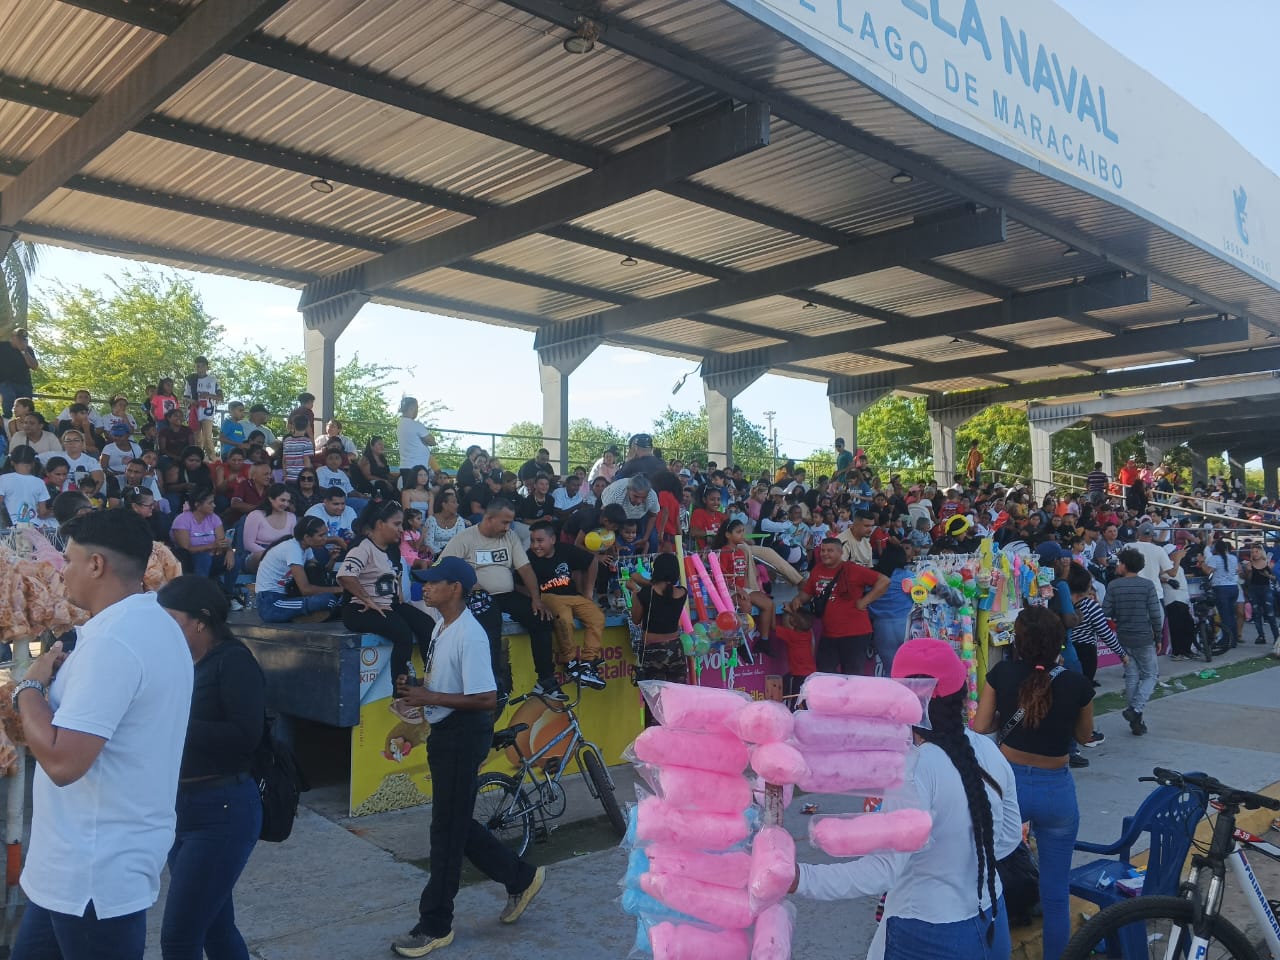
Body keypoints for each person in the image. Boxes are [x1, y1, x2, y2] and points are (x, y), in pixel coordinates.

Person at [13, 509, 193, 958]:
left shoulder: (115, 642)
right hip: (76, 864)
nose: (62, 572)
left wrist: (29, 688)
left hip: (93, 870)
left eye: (68, 560)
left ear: (96, 565)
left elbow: (63, 762)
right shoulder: (156, 623)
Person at [796, 638, 1021, 960]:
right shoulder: (989, 750)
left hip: (930, 931)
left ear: (899, 699)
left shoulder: (914, 770)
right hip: (991, 917)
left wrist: (800, 878)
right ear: (962, 692)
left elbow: (881, 871)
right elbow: (1009, 837)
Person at [388, 558, 544, 957]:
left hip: (462, 735)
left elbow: (486, 699)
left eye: (432, 583)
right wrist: (419, 687)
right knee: (454, 822)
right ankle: (520, 878)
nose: (424, 588)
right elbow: (451, 683)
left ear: (454, 588)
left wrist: (429, 697)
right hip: (446, 732)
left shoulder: (469, 635)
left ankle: (435, 925)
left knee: (445, 834)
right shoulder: (443, 624)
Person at [974, 607, 1094, 960]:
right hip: (1056, 790)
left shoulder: (1002, 673)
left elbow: (981, 727)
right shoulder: (1077, 683)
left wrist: (1009, 713)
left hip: (1007, 787)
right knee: (1056, 893)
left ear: (1019, 641)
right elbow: (1085, 736)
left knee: (985, 882)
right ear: (1059, 640)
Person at [155, 576, 264, 960]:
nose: (162, 629)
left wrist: (173, 722)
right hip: (181, 808)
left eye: (170, 619)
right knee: (215, 927)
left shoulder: (234, 661)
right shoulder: (177, 662)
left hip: (223, 808)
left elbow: (246, 734)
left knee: (180, 938)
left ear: (200, 620)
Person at [439, 499, 559, 701]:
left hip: (507, 594)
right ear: (489, 518)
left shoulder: (510, 537)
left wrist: (536, 599)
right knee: (491, 623)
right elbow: (444, 566)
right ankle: (493, 683)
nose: (508, 527)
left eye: (510, 522)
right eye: (504, 522)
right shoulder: (465, 539)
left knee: (542, 618)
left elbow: (525, 568)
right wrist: (470, 584)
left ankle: (545, 680)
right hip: (477, 595)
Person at [338, 501, 435, 685]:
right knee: (401, 632)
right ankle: (401, 691)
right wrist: (367, 599)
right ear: (380, 523)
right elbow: (345, 576)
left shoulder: (392, 549)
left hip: (390, 604)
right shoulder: (362, 546)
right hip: (359, 609)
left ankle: (433, 680)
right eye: (396, 524)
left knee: (427, 625)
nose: (401, 529)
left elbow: (396, 579)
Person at [787, 538, 889, 675]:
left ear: (840, 552)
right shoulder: (817, 569)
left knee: (852, 677)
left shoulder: (853, 569)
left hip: (855, 634)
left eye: (830, 551)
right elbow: (808, 592)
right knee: (824, 675)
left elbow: (884, 581)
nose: (825, 554)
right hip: (829, 634)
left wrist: (865, 601)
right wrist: (798, 599)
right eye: (822, 550)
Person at [526, 522, 606, 689]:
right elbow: (517, 582)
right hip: (548, 596)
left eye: (540, 540)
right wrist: (535, 597)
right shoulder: (528, 557)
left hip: (573, 596)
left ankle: (587, 663)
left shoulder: (565, 550)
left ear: (553, 539)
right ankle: (570, 663)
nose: (535, 545)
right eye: (532, 541)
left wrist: (588, 592)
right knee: (564, 619)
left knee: (597, 617)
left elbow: (592, 561)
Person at [1103, 548, 1162, 737]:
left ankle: (1136, 721)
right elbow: (1155, 613)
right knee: (1150, 675)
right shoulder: (1148, 586)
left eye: (1119, 563)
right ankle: (1136, 710)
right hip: (1143, 636)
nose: (1117, 565)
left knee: (1132, 676)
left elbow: (1106, 611)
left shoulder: (1113, 586)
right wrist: (1159, 636)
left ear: (1125, 565)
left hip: (1123, 636)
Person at [628, 553, 690, 717]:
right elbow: (662, 590)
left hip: (653, 653)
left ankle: (655, 740)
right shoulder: (682, 593)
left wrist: (634, 591)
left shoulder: (645, 594)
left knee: (654, 704)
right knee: (677, 701)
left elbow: (636, 619)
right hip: (676, 650)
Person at [255, 515, 344, 623]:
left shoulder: (306, 548)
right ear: (307, 537)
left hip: (287, 597)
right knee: (328, 600)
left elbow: (320, 573)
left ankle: (309, 617)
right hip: (271, 603)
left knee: (339, 602)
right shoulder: (293, 549)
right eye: (321, 535)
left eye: (326, 534)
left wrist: (332, 560)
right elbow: (305, 590)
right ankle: (306, 618)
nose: (325, 539)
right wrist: (340, 589)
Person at [1198, 535, 1241, 649]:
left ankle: (1226, 640)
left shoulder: (1214, 558)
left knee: (1225, 616)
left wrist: (1201, 562)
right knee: (1231, 615)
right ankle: (1234, 639)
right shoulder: (1233, 558)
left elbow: (1208, 571)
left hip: (1221, 589)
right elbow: (1237, 570)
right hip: (1233, 588)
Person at [774, 607, 816, 706]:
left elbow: (773, 626)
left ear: (794, 623)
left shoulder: (791, 635)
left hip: (798, 675)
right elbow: (802, 622)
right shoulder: (808, 634)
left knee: (793, 700)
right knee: (808, 701)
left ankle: (792, 715)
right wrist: (791, 611)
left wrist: (773, 610)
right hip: (811, 674)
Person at [0, 444, 51, 525]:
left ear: (12, 462)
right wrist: (54, 512)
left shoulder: (3, 479)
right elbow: (42, 513)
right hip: (34, 525)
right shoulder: (39, 482)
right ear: (33, 463)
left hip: (12, 527)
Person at [183, 356, 222, 460]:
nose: (199, 369)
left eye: (201, 366)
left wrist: (208, 395)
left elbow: (220, 397)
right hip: (194, 412)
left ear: (206, 367)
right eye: (197, 366)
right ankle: (197, 459)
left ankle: (213, 460)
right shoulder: (190, 379)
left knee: (208, 437)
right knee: (197, 439)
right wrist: (193, 401)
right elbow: (185, 397)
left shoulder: (213, 380)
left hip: (208, 413)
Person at [1242, 542, 1279, 645]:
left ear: (1261, 552)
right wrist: (1248, 572)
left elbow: (1275, 579)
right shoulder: (1250, 564)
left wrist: (1268, 575)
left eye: (1256, 551)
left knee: (1270, 614)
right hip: (1254, 589)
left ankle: (1276, 637)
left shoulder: (1268, 563)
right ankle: (1261, 636)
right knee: (1257, 614)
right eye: (1253, 552)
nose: (1254, 554)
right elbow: (1248, 580)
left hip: (1265, 589)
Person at [396, 398, 437, 490]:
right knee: (422, 494)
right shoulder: (415, 425)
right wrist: (424, 442)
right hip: (417, 468)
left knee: (410, 493)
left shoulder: (400, 425)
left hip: (406, 466)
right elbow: (432, 441)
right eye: (416, 408)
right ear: (412, 408)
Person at [0, 327, 38, 418]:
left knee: (27, 407)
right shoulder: (2, 347)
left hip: (24, 384)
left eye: (24, 339)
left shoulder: (28, 350)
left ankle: (25, 423)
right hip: (6, 382)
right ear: (12, 337)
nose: (22, 341)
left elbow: (34, 366)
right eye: (19, 338)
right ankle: (7, 418)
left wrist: (23, 351)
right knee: (9, 396)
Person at [425, 488, 468, 555]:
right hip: (435, 554)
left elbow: (460, 541)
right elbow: (428, 543)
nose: (457, 505)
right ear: (444, 505)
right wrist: (441, 553)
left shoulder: (459, 520)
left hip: (454, 553)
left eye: (457, 502)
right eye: (454, 502)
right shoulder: (431, 520)